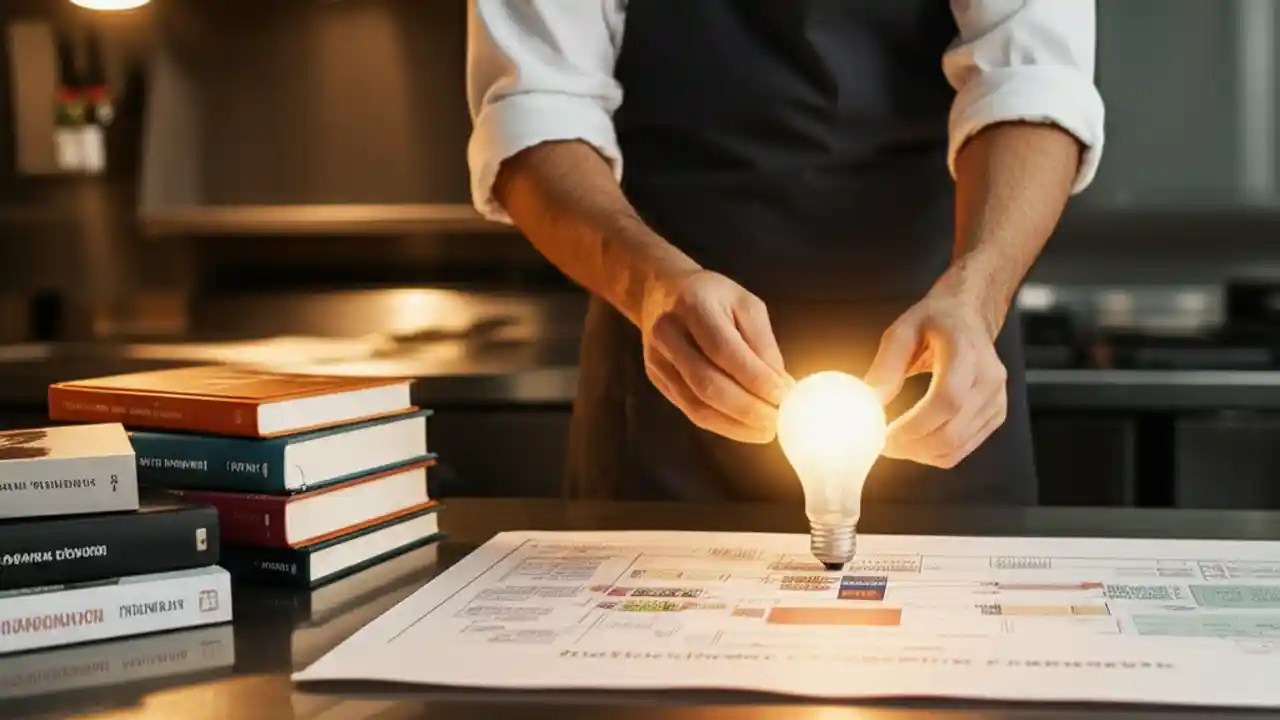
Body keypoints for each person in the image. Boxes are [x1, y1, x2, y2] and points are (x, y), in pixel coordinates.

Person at [465, 1, 1104, 504]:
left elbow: (1034, 80)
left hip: (943, 356)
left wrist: (978, 294)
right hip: (665, 353)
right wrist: (652, 285)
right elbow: (536, 106)